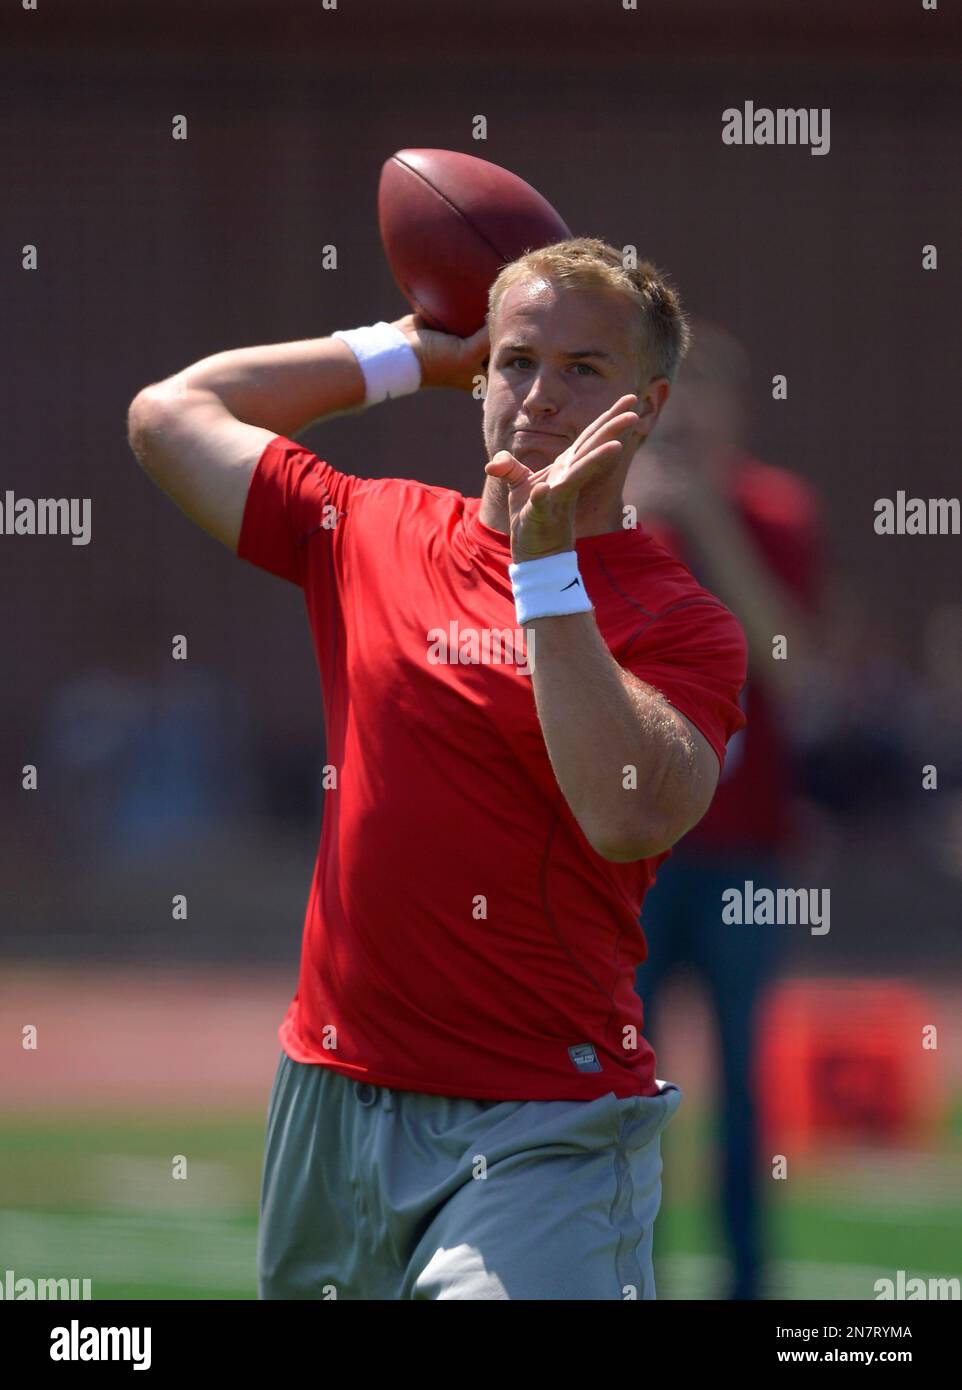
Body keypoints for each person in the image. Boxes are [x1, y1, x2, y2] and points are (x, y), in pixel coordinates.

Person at [127, 237, 748, 1300]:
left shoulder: (681, 621)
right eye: (515, 363)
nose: (540, 394)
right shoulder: (377, 529)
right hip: (329, 1095)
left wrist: (546, 568)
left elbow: (624, 815)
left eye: (582, 370)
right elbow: (168, 417)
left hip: (541, 1120)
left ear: (642, 408)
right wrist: (408, 351)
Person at [623, 320, 824, 1300]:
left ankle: (749, 1286)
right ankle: (628, 1275)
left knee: (743, 1086)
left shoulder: (773, 512)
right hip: (635, 854)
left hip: (746, 853)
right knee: (621, 1088)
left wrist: (708, 516)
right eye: (673, 393)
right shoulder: (614, 514)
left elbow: (789, 659)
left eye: (706, 394)